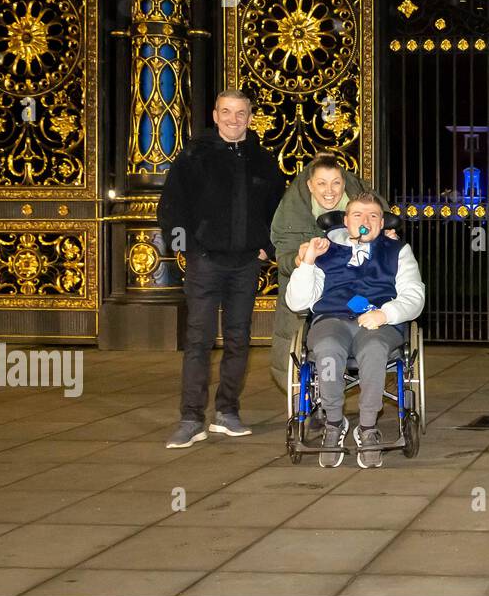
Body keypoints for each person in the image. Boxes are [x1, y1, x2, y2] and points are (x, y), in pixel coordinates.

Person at [159, 90, 286, 449]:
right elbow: (172, 206)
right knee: (198, 340)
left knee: (238, 340)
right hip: (205, 262)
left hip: (246, 263)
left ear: (250, 116)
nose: (234, 119)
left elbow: (278, 210)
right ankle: (191, 418)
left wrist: (268, 247)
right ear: (215, 115)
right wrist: (188, 249)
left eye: (241, 113)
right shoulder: (193, 156)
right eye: (227, 112)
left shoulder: (263, 160)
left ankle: (227, 412)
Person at [284, 192, 425, 468]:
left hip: (378, 322)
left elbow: (414, 295)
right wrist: (309, 261)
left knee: (373, 349)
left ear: (382, 222)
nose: (365, 220)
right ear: (346, 221)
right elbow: (297, 302)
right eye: (358, 215)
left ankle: (368, 427)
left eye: (373, 216)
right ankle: (334, 423)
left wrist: (385, 313)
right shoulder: (325, 251)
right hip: (331, 319)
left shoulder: (397, 250)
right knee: (326, 349)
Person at [269, 153, 391, 392]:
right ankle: (306, 394)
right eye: (321, 183)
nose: (329, 191)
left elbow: (385, 236)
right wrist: (299, 258)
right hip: (311, 287)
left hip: (353, 290)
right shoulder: (293, 211)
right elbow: (282, 258)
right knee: (299, 325)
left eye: (335, 183)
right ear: (310, 185)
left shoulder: (363, 204)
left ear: (344, 183)